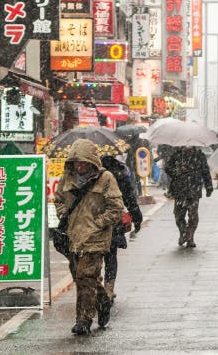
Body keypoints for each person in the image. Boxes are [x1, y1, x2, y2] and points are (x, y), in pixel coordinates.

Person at [54, 139, 124, 336]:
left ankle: (83, 319)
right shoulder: (67, 178)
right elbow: (58, 200)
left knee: (86, 276)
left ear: (92, 162)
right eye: (76, 162)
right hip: (73, 237)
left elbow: (116, 208)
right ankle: (103, 301)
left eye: (84, 162)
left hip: (96, 239)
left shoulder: (106, 178)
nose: (80, 166)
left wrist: (97, 224)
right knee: (82, 277)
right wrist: (63, 214)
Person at [100, 156, 143, 302]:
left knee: (94, 257)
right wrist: (137, 216)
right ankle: (108, 288)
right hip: (113, 221)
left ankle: (98, 288)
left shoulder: (89, 172)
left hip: (92, 222)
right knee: (111, 256)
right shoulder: (119, 172)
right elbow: (129, 197)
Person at [164, 145, 213, 247]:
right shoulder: (176, 154)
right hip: (179, 190)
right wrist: (178, 171)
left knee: (193, 216)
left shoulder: (200, 156)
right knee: (178, 216)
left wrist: (209, 186)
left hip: (194, 190)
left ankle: (190, 237)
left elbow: (205, 171)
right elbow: (167, 168)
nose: (188, 146)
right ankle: (183, 233)